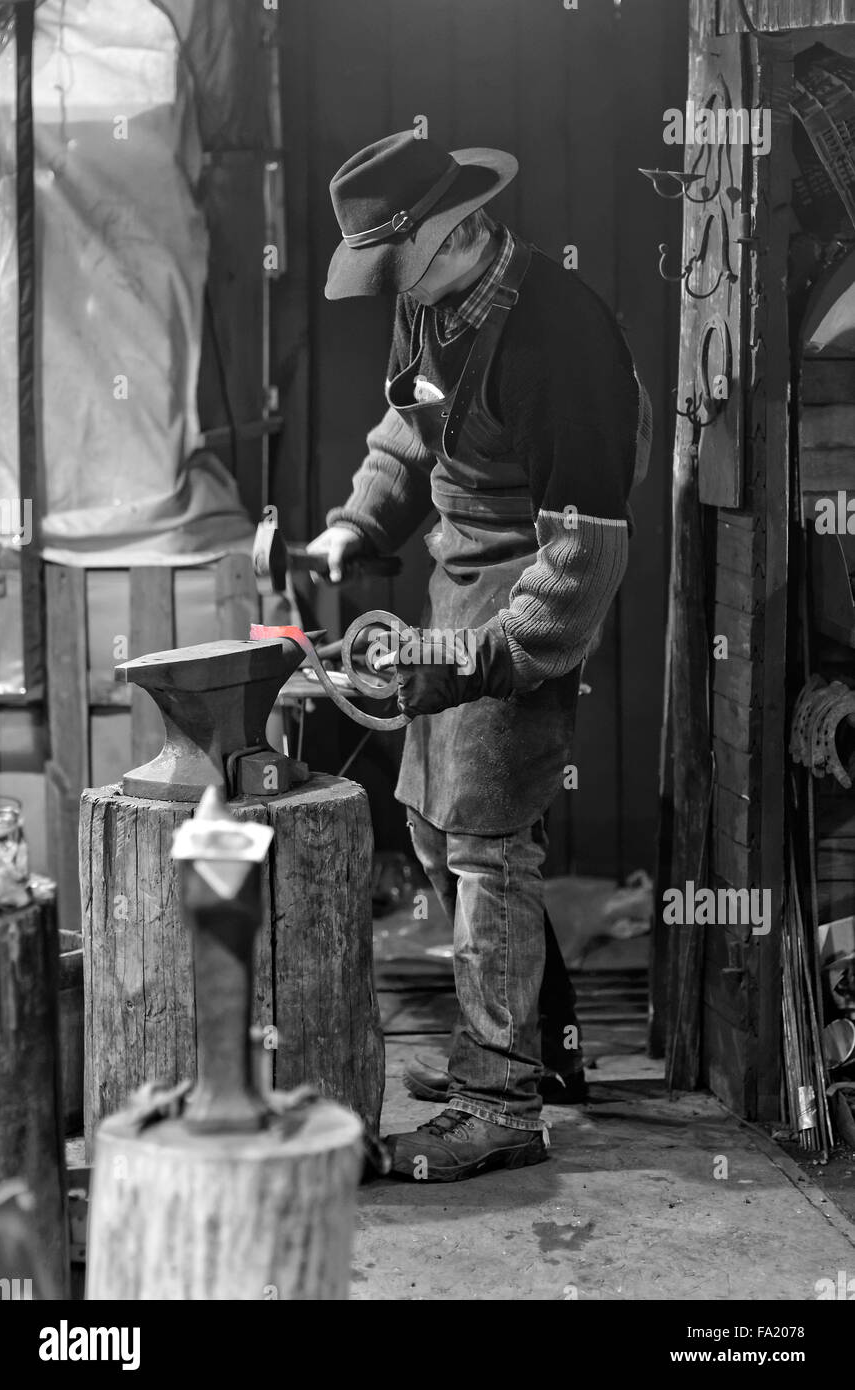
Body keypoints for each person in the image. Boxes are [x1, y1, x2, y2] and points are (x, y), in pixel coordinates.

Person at [307, 130, 651, 1182]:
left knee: (488, 844)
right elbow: (409, 429)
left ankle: (497, 1098)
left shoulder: (560, 339)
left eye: (385, 263)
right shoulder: (430, 308)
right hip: (458, 575)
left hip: (535, 594)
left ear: (452, 231)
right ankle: (537, 1044)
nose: (380, 293)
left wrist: (469, 661)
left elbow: (581, 558)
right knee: (427, 812)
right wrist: (356, 527)